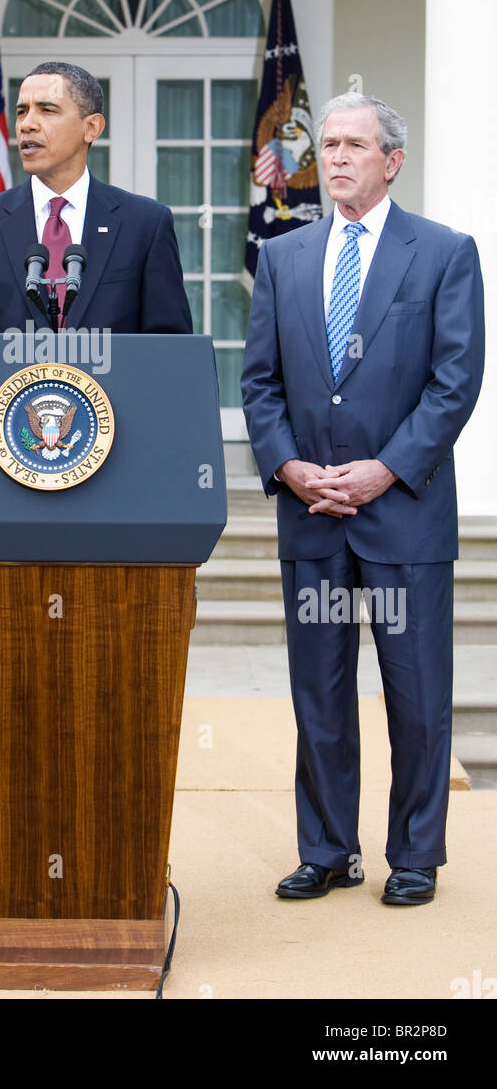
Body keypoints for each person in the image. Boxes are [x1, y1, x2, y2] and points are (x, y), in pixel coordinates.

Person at [240, 93, 484, 907]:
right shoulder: (283, 258)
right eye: (329, 144)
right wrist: (288, 467)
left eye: (354, 144)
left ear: (392, 160)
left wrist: (386, 468)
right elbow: (259, 384)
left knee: (416, 697)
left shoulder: (445, 253)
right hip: (312, 515)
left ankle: (415, 855)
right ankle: (328, 849)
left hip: (403, 515)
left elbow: (455, 384)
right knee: (320, 695)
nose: (337, 157)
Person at [0, 61, 192, 334]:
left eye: (47, 110)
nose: (27, 124)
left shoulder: (145, 225)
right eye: (22, 112)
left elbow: (169, 350)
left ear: (91, 127)